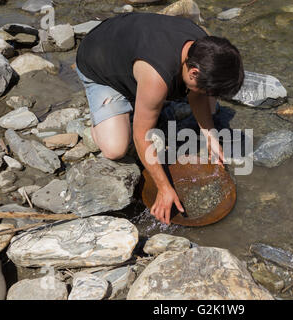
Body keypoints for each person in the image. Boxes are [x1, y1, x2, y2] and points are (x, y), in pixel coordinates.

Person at [76, 12, 244, 225]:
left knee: (210, 105)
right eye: (202, 87)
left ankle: (140, 93)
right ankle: (101, 120)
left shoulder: (204, 47)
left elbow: (199, 96)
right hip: (97, 61)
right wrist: (164, 189)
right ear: (193, 72)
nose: (206, 93)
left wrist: (210, 137)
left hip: (129, 44)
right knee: (115, 149)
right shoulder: (157, 77)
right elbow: (141, 136)